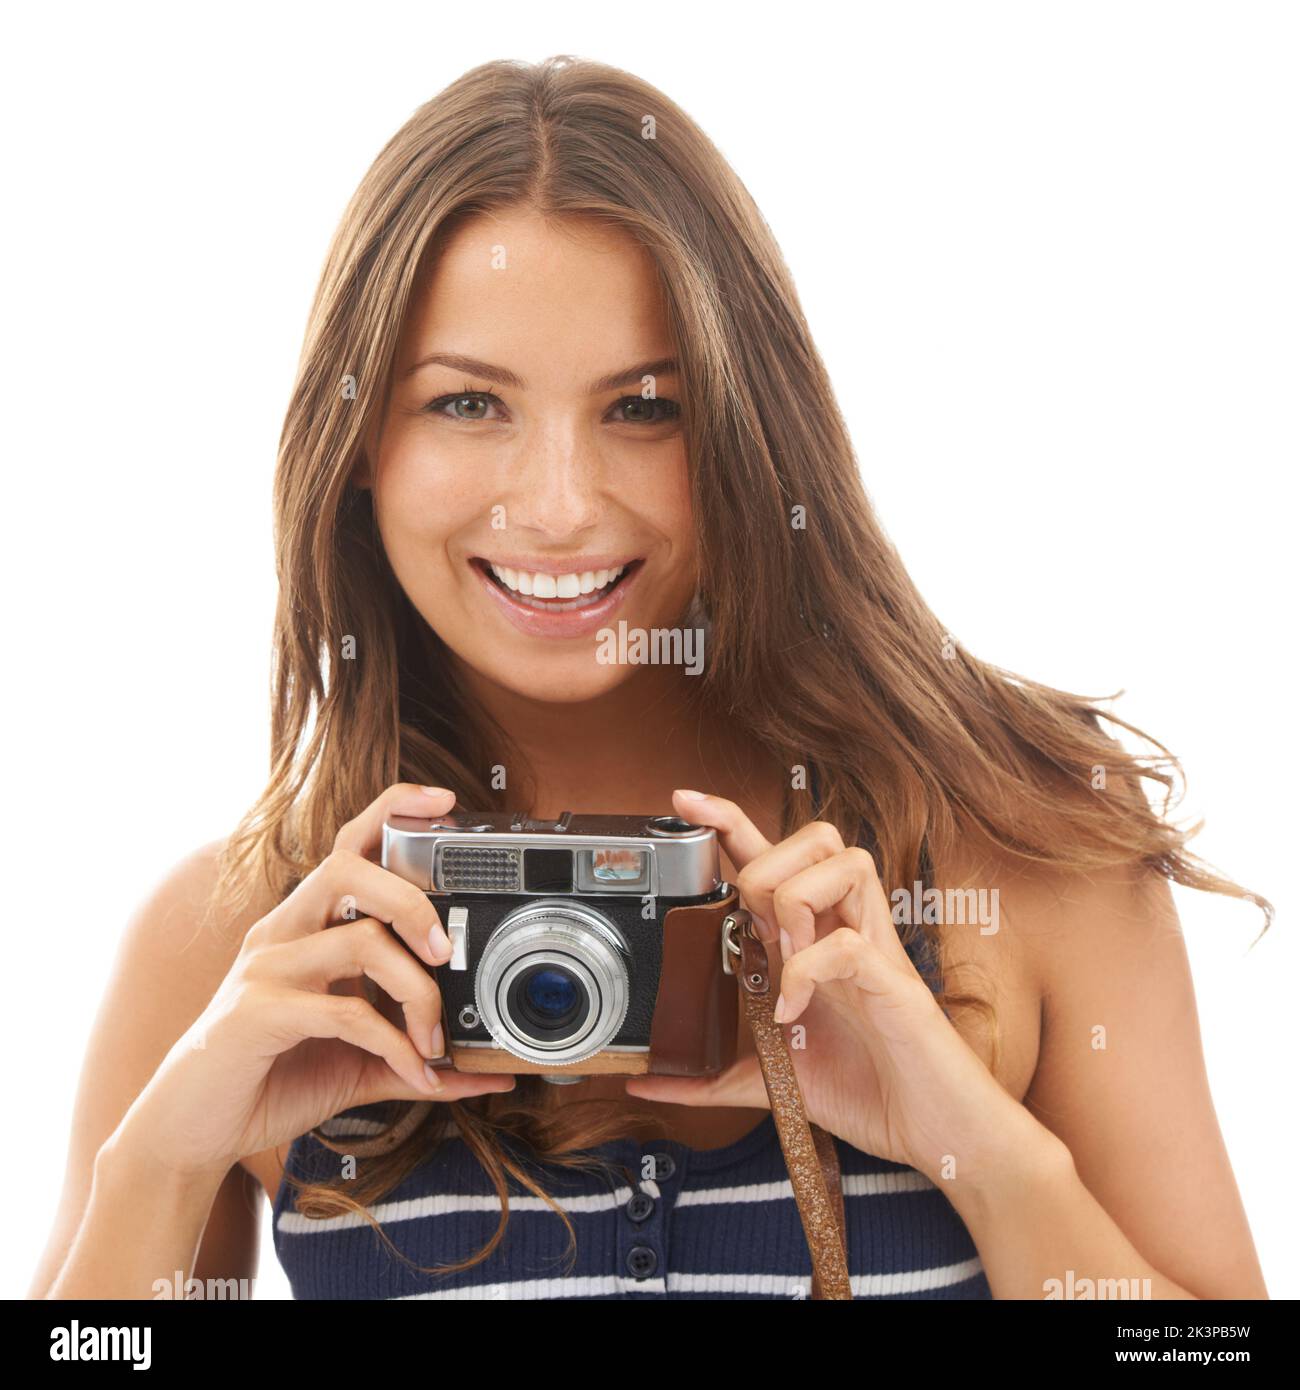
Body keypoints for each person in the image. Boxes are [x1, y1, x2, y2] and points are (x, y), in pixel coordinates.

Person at [32, 55, 1269, 1301]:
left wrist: (987, 1158)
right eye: (467, 402)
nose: (560, 506)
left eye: (643, 408)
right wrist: (155, 1167)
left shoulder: (1021, 853)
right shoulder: (244, 938)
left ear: (746, 429)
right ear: (357, 444)